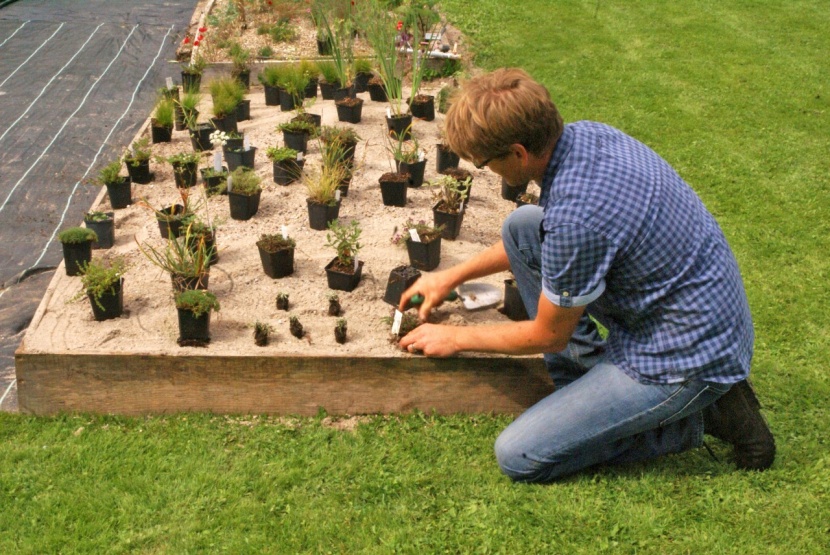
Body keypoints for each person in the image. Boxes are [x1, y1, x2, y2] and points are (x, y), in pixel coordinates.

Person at [397, 68, 775, 482]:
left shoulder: (577, 218)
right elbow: (545, 239)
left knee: (520, 454)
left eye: (485, 163)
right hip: (693, 311)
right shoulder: (588, 135)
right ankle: (593, 390)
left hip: (682, 354)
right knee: (522, 225)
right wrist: (449, 277)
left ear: (519, 153)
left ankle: (706, 418)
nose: (486, 170)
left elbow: (547, 335)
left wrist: (455, 338)